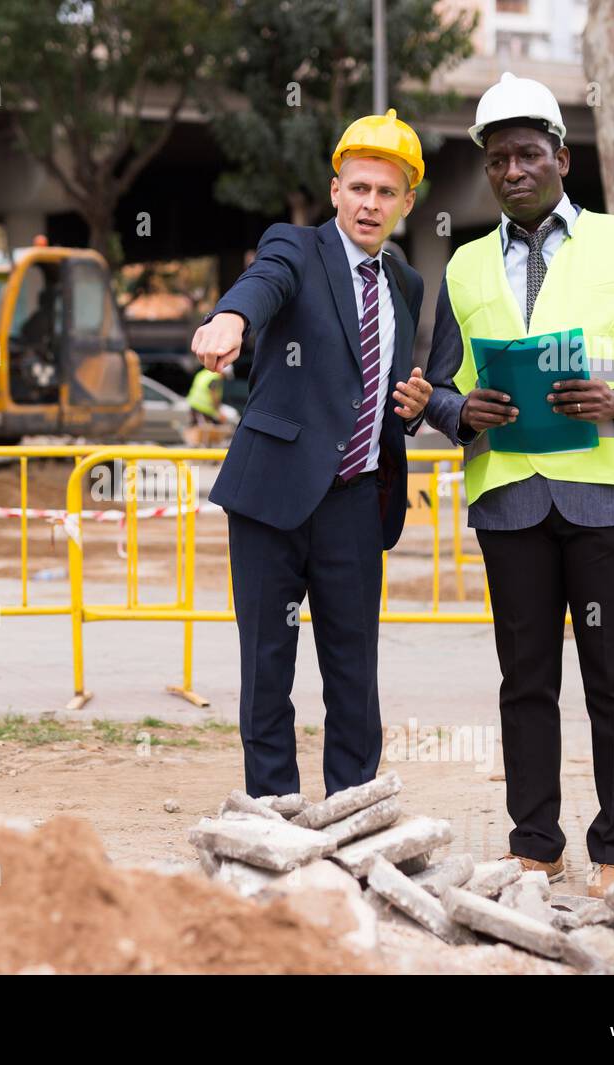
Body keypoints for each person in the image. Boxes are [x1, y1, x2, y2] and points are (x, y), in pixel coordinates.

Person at [422, 73, 614, 898]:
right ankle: (534, 845)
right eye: (496, 159)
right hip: (511, 501)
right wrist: (460, 411)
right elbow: (438, 385)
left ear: (562, 156)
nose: (512, 170)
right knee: (525, 678)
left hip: (608, 499)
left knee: (613, 675)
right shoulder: (466, 265)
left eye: (527, 153)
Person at [190, 110, 433, 798]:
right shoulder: (294, 247)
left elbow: (378, 383)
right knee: (268, 665)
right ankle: (273, 816)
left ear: (407, 203)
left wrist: (412, 405)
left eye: (386, 193)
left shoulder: (406, 285)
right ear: (335, 190)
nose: (370, 204)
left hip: (357, 499)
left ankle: (354, 815)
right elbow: (261, 284)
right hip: (272, 496)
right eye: (358, 187)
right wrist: (231, 317)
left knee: (354, 673)